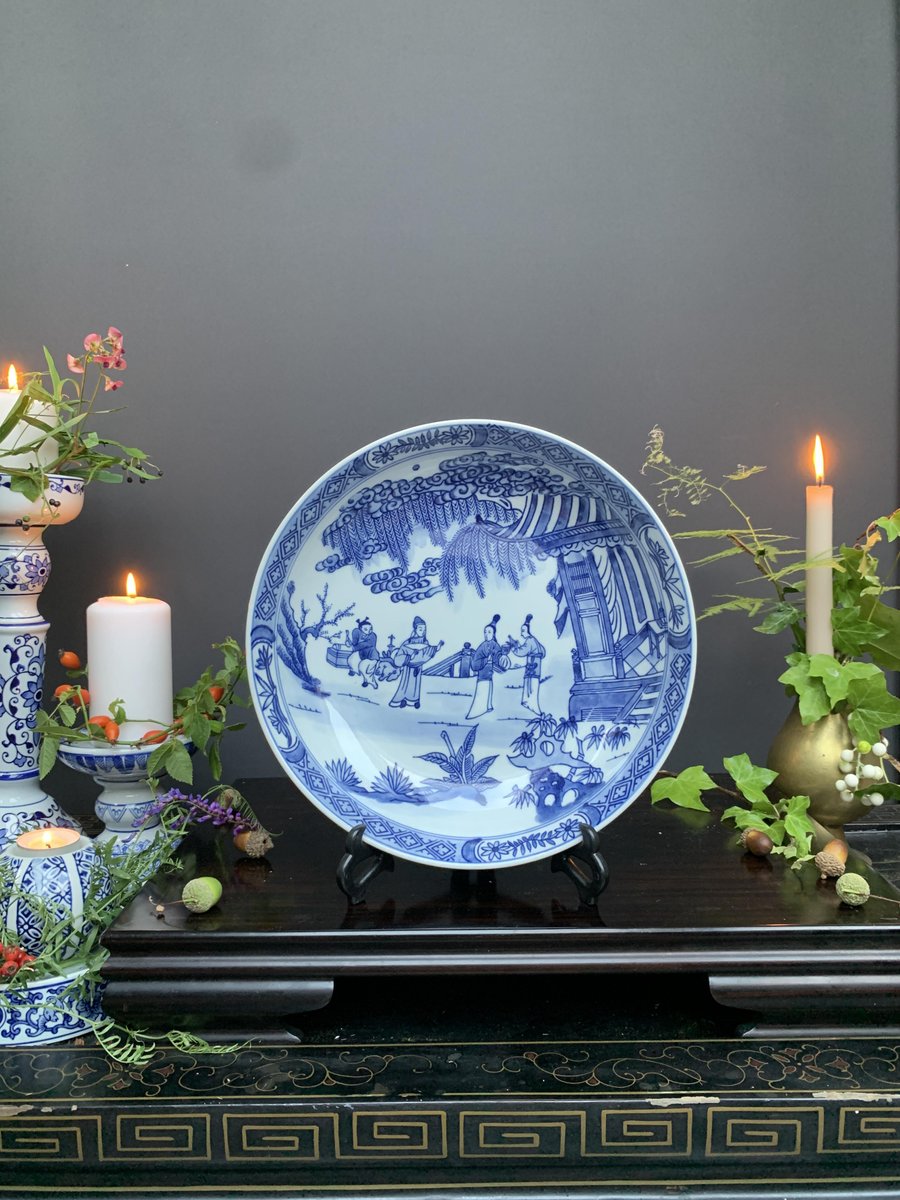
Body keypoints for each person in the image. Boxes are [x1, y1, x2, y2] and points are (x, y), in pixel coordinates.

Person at [389, 616, 442, 709]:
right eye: (420, 629)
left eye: (424, 629)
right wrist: (409, 657)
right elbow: (399, 656)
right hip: (408, 667)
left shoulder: (425, 642)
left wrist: (435, 649)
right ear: (415, 629)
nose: (422, 631)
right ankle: (401, 699)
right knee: (406, 683)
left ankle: (413, 700)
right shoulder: (408, 642)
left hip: (418, 667)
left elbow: (427, 653)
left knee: (415, 685)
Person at [466, 614, 507, 720]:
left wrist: (502, 657)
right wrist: (486, 660)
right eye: (485, 632)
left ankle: (488, 707)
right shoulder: (482, 646)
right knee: (483, 691)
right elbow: (475, 664)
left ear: (493, 634)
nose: (486, 634)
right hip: (483, 675)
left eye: (489, 632)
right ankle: (481, 709)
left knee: (488, 689)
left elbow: (498, 657)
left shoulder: (494, 645)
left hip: (488, 675)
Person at [512, 613, 545, 713]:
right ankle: (527, 702)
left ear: (527, 631)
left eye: (523, 631)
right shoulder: (534, 640)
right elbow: (543, 651)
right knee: (531, 684)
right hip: (535, 665)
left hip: (533, 666)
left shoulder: (530, 640)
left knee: (531, 685)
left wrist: (514, 648)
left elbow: (522, 651)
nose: (521, 633)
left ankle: (530, 704)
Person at [348, 617, 379, 688]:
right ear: (360, 629)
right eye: (365, 629)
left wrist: (355, 647)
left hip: (372, 656)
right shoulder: (357, 633)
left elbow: (366, 644)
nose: (369, 631)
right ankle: (354, 670)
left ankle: (371, 682)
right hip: (362, 654)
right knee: (352, 659)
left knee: (363, 667)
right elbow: (354, 642)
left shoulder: (372, 636)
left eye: (370, 629)